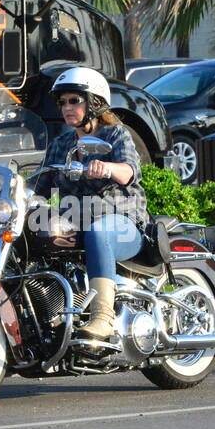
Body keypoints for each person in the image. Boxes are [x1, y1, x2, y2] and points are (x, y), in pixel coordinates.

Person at [35, 66, 150, 341]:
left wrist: (107, 167)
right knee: (32, 233)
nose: (67, 107)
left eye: (74, 100)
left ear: (94, 103)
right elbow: (39, 186)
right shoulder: (61, 144)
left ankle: (102, 318)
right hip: (75, 219)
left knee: (98, 231)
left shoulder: (116, 135)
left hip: (122, 223)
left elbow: (129, 172)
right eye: (62, 102)